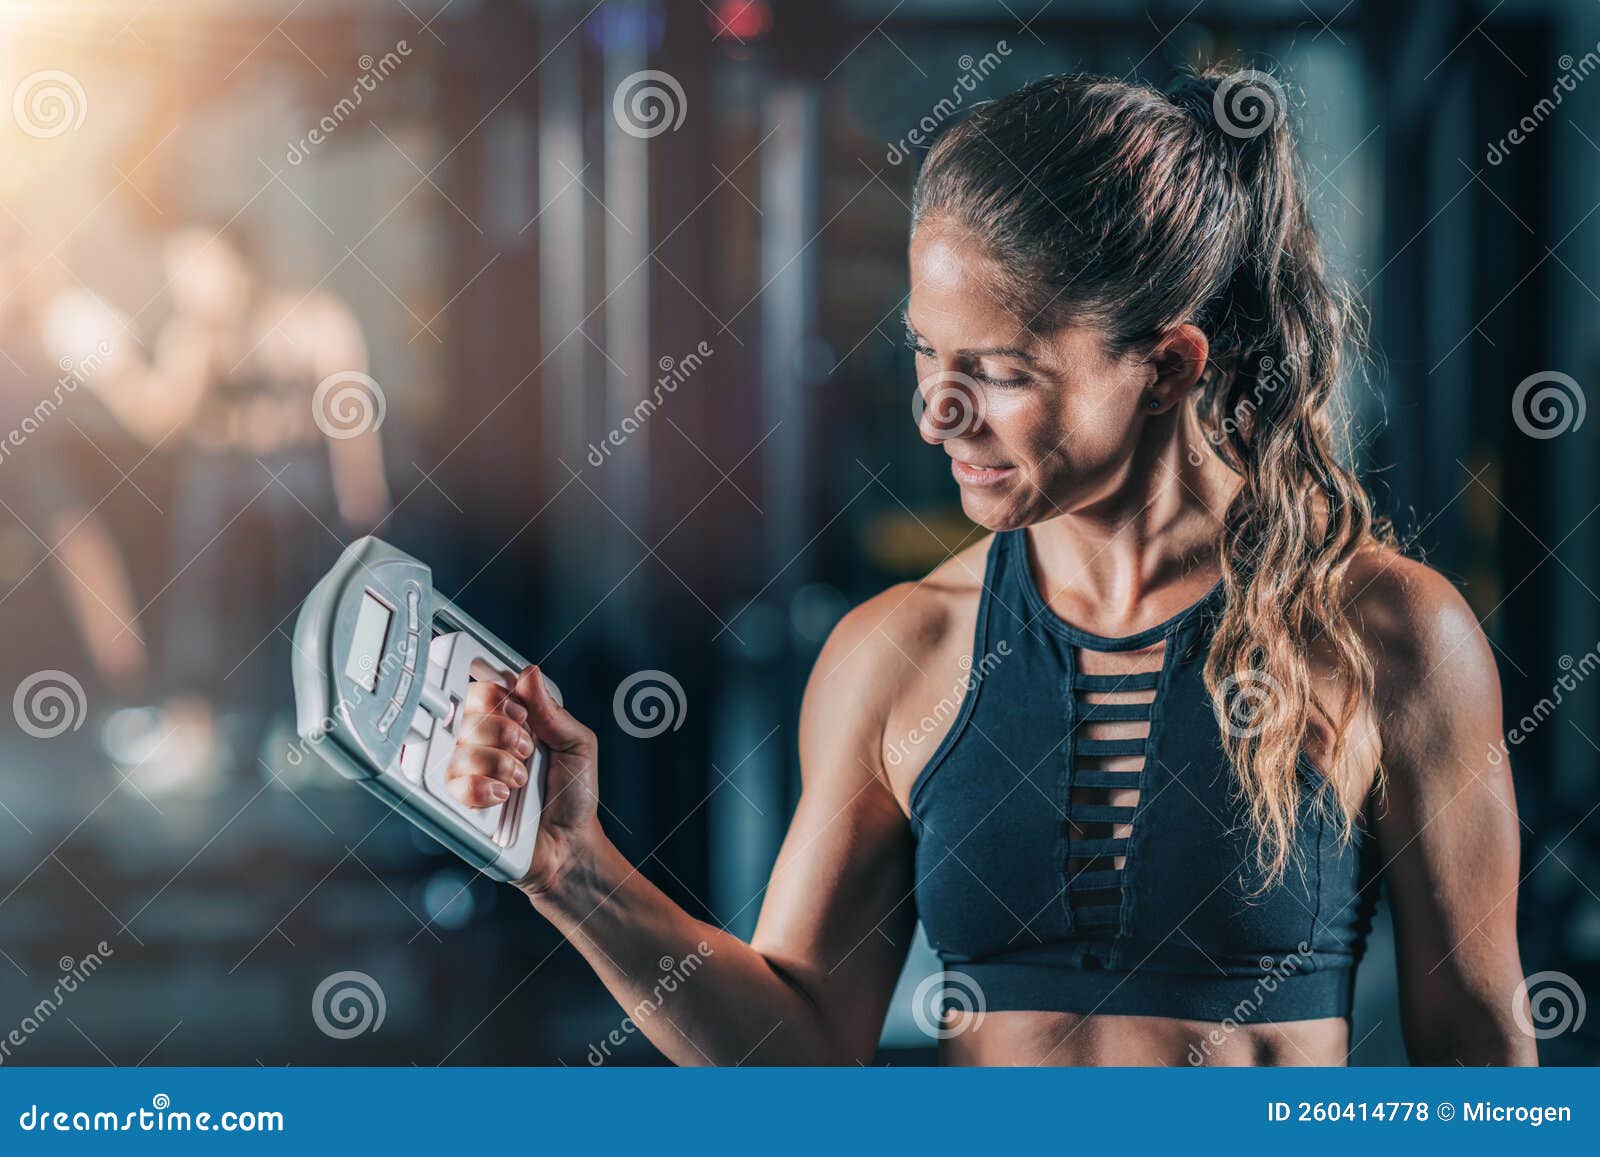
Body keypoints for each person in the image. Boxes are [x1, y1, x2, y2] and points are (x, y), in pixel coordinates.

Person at [447, 70, 1533, 1065]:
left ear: (1167, 367)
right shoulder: (901, 651)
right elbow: (795, 1056)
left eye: (1000, 371)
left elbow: (1479, 1055)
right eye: (926, 350)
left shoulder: (1387, 633)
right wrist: (571, 867)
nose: (937, 412)